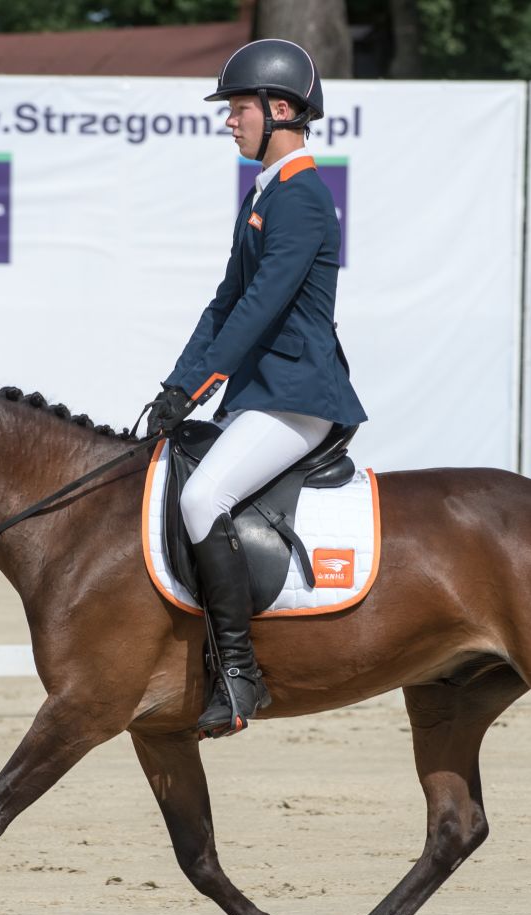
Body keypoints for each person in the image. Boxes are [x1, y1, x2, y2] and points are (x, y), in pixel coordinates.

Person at [144, 38, 368, 740]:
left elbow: (262, 307)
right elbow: (222, 305)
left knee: (203, 496)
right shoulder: (266, 194)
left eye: (238, 108)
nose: (229, 121)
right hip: (265, 392)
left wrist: (203, 387)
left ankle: (239, 674)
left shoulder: (302, 196)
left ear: (280, 109)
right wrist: (175, 388)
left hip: (300, 396)